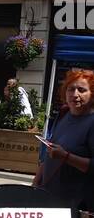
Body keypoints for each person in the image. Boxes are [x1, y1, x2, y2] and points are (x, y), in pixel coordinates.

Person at [34, 69, 94, 208]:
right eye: (70, 89)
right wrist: (37, 181)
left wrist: (66, 157)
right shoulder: (63, 114)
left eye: (82, 90)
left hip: (78, 204)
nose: (75, 94)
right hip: (50, 197)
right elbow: (50, 152)